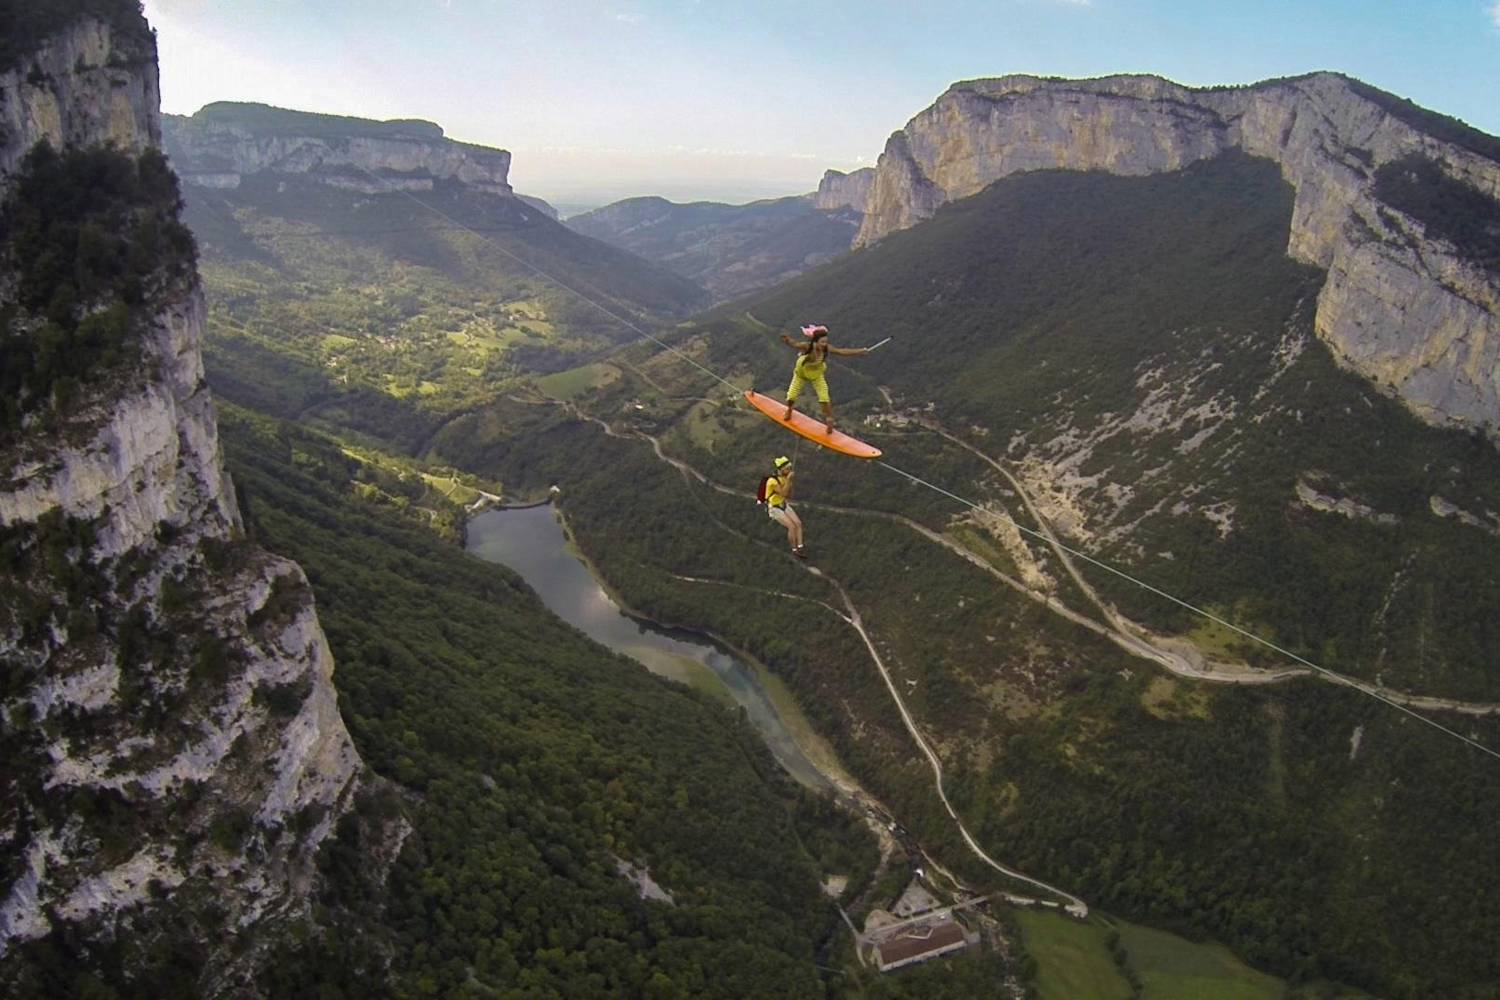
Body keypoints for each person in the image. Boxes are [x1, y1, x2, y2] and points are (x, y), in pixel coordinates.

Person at [780, 324, 870, 430]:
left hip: (817, 374)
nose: (824, 344)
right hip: (801, 373)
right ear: (815, 341)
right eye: (822, 342)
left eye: (825, 342)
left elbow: (842, 351)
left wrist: (860, 351)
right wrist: (787, 339)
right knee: (791, 395)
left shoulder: (826, 348)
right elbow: (795, 344)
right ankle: (789, 409)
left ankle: (829, 420)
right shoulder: (807, 346)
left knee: (824, 397)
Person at [763, 455, 806, 557]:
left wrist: (790, 482)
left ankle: (800, 546)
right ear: (781, 469)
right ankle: (794, 549)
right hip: (774, 507)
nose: (789, 470)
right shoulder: (772, 481)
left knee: (798, 523)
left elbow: (789, 495)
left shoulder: (784, 478)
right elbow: (783, 493)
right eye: (787, 469)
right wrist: (789, 480)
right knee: (791, 526)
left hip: (783, 504)